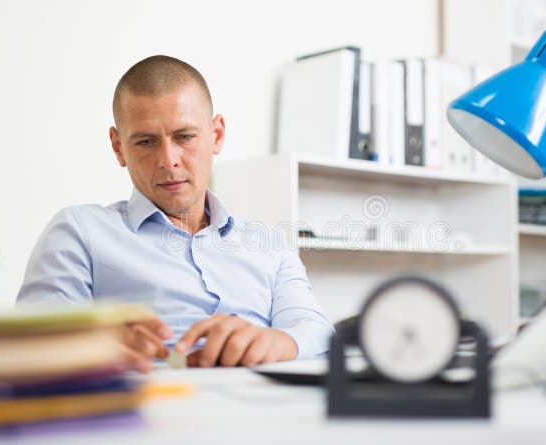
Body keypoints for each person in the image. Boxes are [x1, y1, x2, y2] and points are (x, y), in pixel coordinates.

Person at [17, 55, 333, 372]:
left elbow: (316, 331)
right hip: (145, 405)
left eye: (184, 137)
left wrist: (277, 343)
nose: (168, 160)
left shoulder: (270, 243)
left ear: (217, 135)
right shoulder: (78, 232)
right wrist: (103, 347)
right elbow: (31, 343)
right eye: (145, 142)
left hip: (264, 407)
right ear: (118, 147)